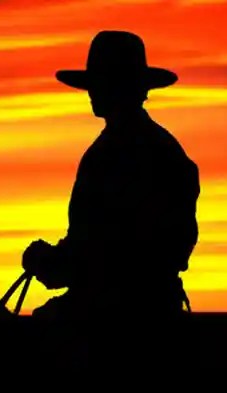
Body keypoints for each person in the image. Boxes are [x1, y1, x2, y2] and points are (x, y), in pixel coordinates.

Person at [23, 31, 201, 393]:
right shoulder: (146, 150)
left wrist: (57, 263)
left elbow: (125, 246)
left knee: (69, 388)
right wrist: (61, 261)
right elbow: (103, 244)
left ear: (120, 88)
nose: (93, 94)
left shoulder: (131, 153)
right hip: (123, 302)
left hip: (129, 310)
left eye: (99, 85)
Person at [25, 30, 199, 325]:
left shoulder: (114, 154)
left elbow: (109, 248)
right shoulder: (161, 149)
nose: (93, 93)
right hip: (152, 305)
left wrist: (51, 262)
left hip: (116, 312)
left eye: (101, 84)